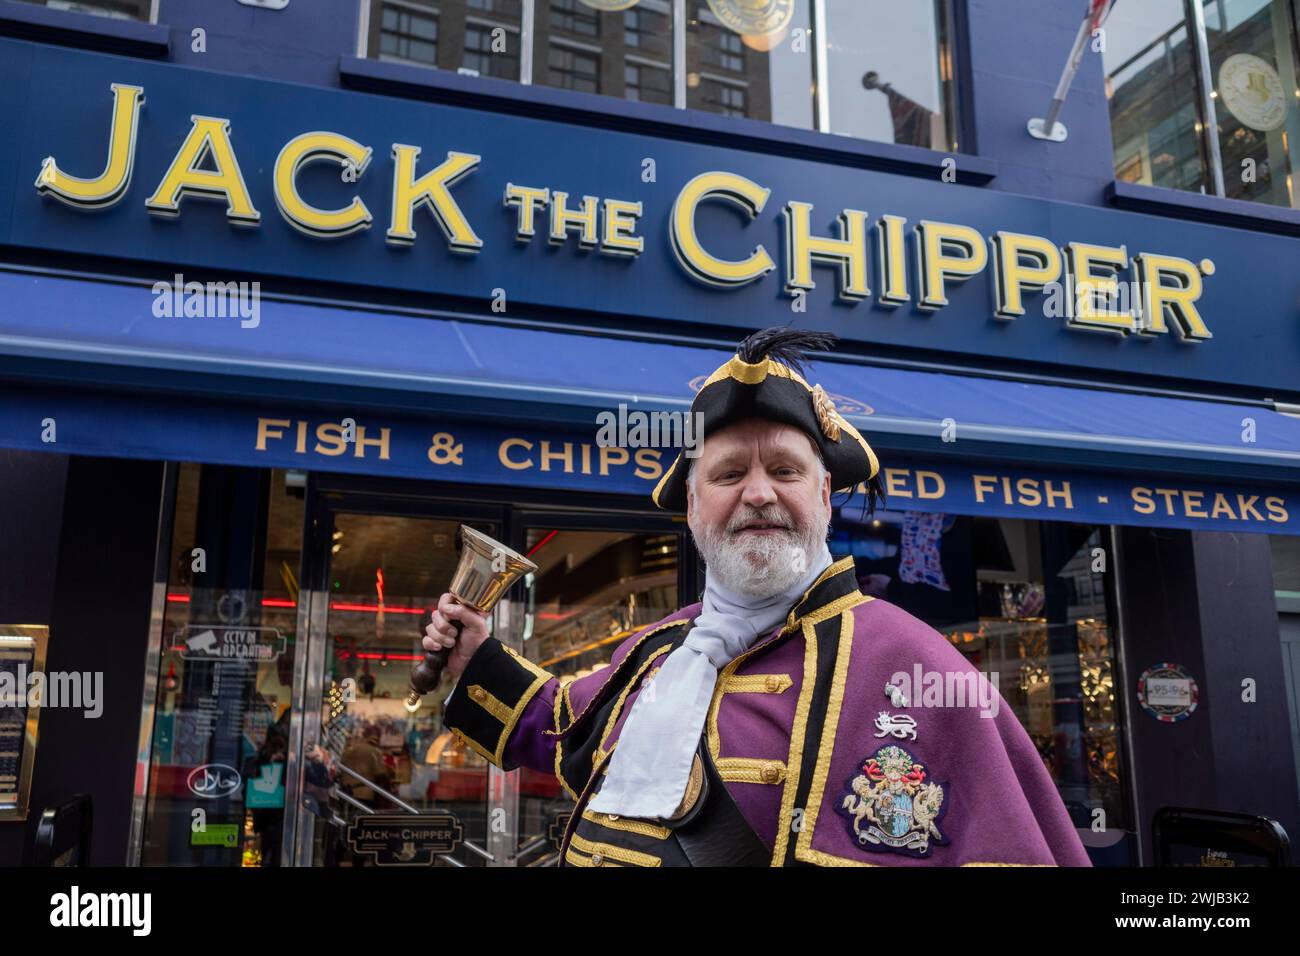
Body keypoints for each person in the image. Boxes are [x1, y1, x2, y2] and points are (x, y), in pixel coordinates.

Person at [425, 327, 1091, 867]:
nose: (759, 492)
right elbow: (562, 724)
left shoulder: (919, 665)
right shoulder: (661, 649)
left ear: (824, 497)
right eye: (729, 473)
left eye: (784, 469)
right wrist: (474, 657)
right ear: (692, 506)